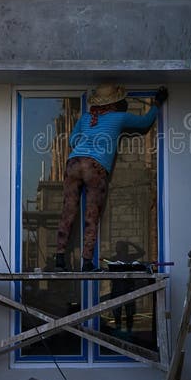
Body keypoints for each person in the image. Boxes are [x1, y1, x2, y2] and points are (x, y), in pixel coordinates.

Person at [54, 83, 168, 272]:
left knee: (68, 211)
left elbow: (73, 140)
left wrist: (87, 140)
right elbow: (145, 122)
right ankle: (87, 263)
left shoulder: (85, 117)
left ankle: (59, 259)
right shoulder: (119, 117)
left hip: (74, 162)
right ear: (116, 102)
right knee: (92, 214)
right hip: (95, 166)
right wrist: (157, 102)